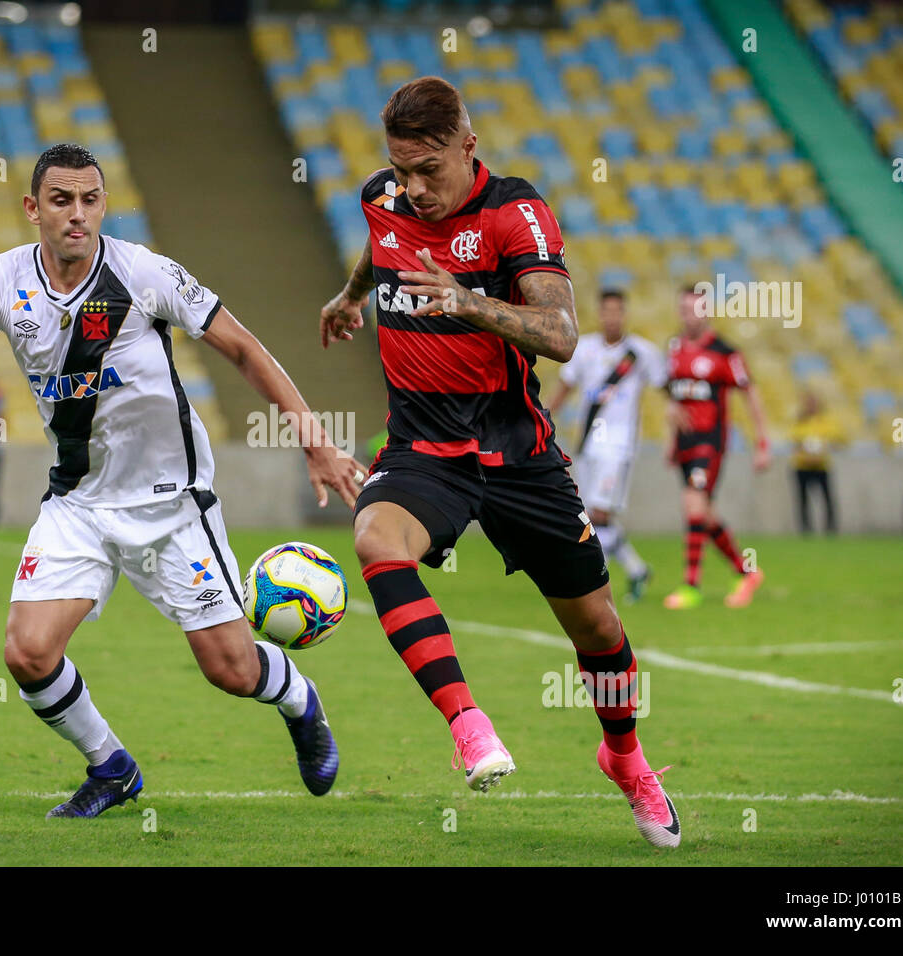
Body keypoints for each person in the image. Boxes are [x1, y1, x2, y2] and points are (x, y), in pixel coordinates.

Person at [0, 144, 363, 818]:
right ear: (33, 208)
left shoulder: (143, 273)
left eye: (90, 199)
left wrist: (314, 442)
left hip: (171, 505)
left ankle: (300, 702)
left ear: (103, 205)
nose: (78, 214)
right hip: (79, 503)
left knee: (231, 670)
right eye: (61, 200)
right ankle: (111, 767)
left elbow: (242, 346)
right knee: (27, 654)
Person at [319, 77, 680, 848]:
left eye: (430, 171)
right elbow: (379, 249)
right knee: (378, 540)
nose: (414, 189)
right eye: (402, 170)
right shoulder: (382, 197)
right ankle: (468, 723)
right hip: (423, 446)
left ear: (467, 145)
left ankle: (625, 757)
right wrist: (351, 298)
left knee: (597, 626)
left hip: (516, 449)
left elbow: (561, 332)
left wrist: (468, 302)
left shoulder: (515, 214)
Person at [546, 288, 666, 603]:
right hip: (587, 445)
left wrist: (676, 416)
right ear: (600, 314)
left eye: (617, 311)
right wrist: (543, 419)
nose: (612, 317)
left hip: (618, 446)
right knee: (592, 514)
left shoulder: (641, 353)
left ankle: (596, 582)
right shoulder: (584, 349)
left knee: (599, 513)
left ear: (624, 314)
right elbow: (565, 387)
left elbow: (665, 386)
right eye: (607, 311)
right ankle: (637, 570)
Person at [662, 285, 771, 609]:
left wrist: (762, 443)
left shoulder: (725, 352)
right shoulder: (674, 347)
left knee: (693, 504)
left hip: (711, 444)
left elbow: (751, 394)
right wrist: (670, 439)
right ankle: (747, 572)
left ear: (707, 311)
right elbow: (674, 399)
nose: (689, 314)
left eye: (695, 308)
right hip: (684, 444)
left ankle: (691, 586)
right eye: (684, 309)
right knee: (705, 515)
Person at [788, 390, 842, 534]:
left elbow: (834, 441)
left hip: (821, 466)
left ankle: (831, 528)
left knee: (827, 498)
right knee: (803, 500)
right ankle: (805, 529)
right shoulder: (799, 422)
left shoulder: (826, 421)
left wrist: (823, 449)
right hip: (802, 466)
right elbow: (794, 443)